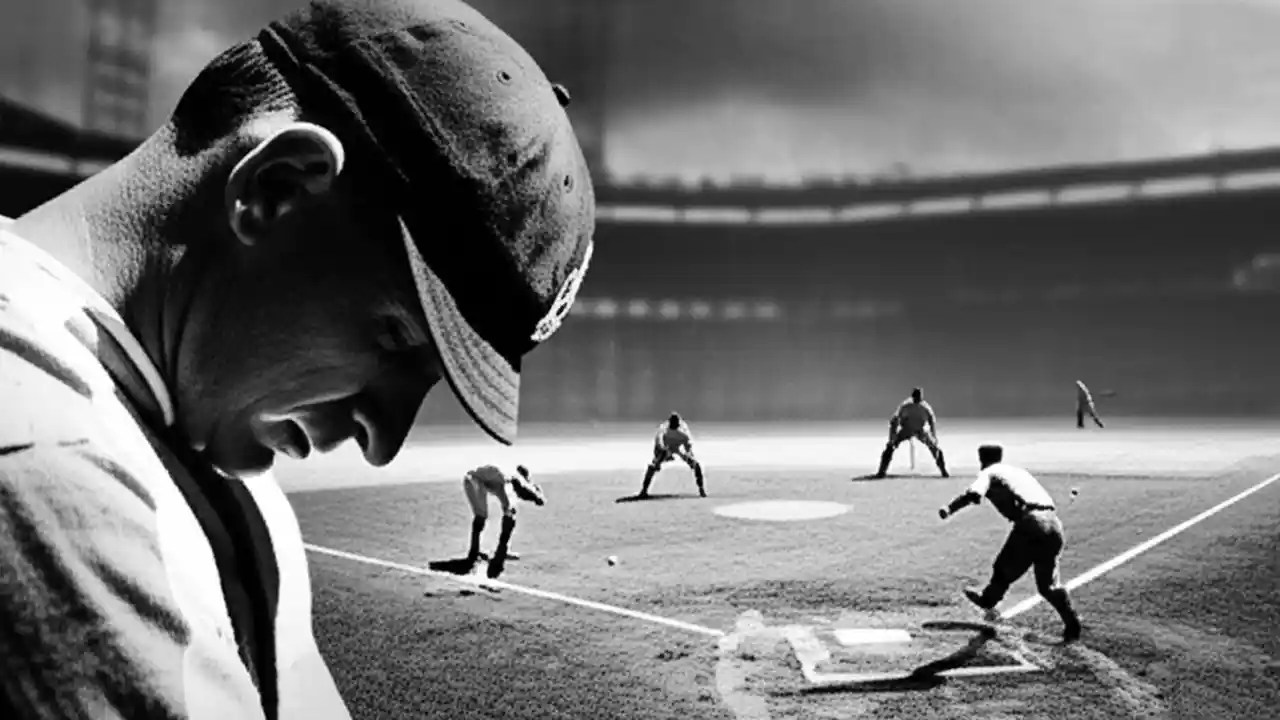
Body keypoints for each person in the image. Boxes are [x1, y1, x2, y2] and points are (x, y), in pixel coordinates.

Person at [0, 1, 595, 718]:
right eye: (396, 340)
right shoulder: (40, 441)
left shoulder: (221, 467)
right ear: (276, 189)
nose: (384, 440)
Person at [938, 444, 1082, 643]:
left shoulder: (989, 472)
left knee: (1002, 569)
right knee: (1048, 585)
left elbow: (973, 493)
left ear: (981, 459)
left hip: (1031, 522)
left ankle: (988, 600)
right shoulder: (1017, 471)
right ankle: (1072, 622)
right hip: (1054, 524)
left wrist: (949, 508)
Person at [462, 464, 546, 579]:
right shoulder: (513, 481)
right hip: (474, 481)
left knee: (507, 512)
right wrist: (537, 497)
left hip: (483, 482)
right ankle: (476, 554)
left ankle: (493, 552)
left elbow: (524, 494)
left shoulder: (511, 481)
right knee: (485, 515)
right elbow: (523, 492)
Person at [874, 387, 949, 478]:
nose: (917, 399)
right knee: (890, 447)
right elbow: (894, 421)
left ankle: (943, 471)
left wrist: (933, 437)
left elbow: (931, 421)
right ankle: (881, 471)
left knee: (935, 448)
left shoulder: (925, 407)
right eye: (916, 397)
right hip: (906, 429)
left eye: (919, 397)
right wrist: (892, 438)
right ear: (913, 397)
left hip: (920, 430)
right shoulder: (905, 406)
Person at [640, 412, 707, 498]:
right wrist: (663, 455)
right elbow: (659, 443)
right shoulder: (663, 428)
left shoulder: (684, 432)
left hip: (677, 447)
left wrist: (688, 455)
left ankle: (701, 489)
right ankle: (644, 491)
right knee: (653, 466)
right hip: (665, 447)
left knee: (696, 464)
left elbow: (688, 446)